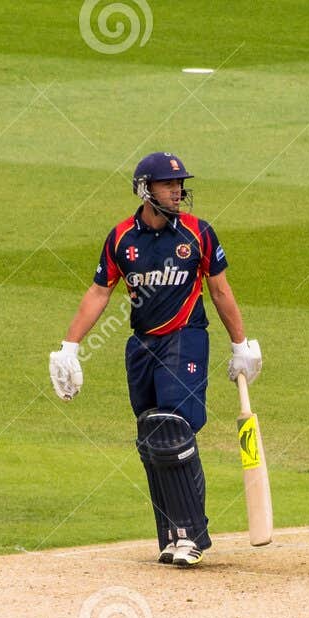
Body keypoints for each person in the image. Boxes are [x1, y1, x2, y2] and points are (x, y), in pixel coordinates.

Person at [49, 152, 262, 566]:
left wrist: (240, 344)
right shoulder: (121, 238)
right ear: (145, 189)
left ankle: (191, 535)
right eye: (169, 184)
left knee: (173, 429)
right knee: (151, 437)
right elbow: (99, 291)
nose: (177, 191)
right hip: (142, 345)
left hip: (186, 338)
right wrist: (70, 346)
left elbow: (219, 290)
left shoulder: (199, 233)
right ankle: (169, 533)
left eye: (180, 184)